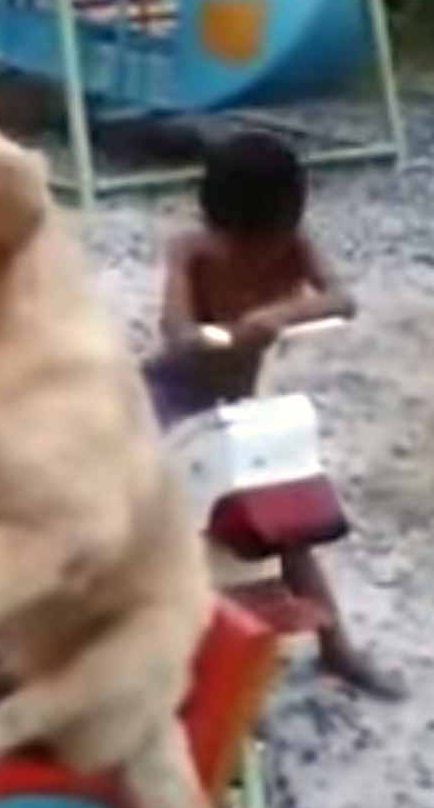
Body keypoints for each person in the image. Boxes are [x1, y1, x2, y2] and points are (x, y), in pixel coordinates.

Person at [144, 131, 405, 700]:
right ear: (218, 223)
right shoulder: (193, 250)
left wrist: (279, 315)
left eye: (269, 243)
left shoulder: (294, 246)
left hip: (240, 409)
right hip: (173, 403)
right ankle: (169, 657)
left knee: (288, 524)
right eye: (244, 245)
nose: (258, 257)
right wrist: (213, 336)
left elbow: (341, 298)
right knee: (174, 528)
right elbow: (176, 329)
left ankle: (336, 648)